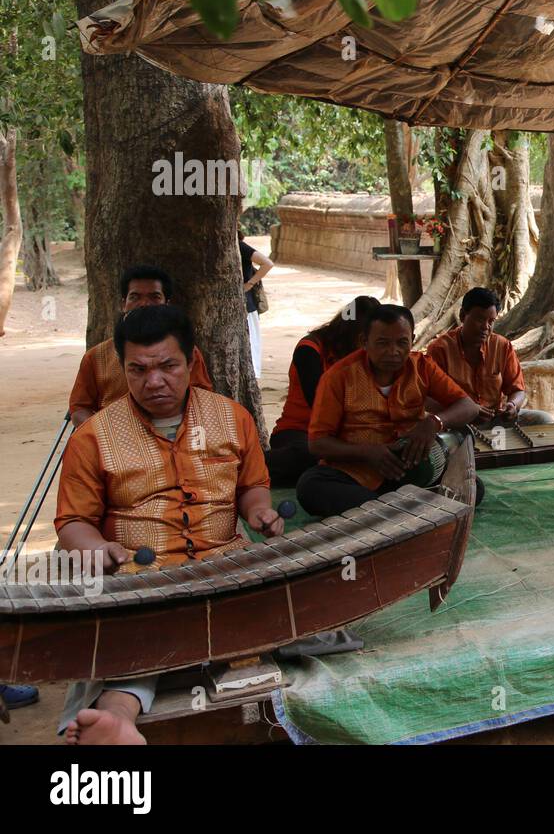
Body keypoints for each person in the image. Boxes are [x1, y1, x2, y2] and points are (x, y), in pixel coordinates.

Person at [55, 304, 282, 745]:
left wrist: (258, 510)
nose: (154, 381)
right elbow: (74, 521)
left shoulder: (233, 417)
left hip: (226, 565)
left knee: (297, 612)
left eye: (167, 366)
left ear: (191, 360)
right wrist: (96, 548)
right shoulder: (92, 437)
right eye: (138, 370)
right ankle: (117, 720)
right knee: (141, 629)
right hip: (142, 576)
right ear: (122, 368)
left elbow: (252, 486)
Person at [296, 304, 481, 520]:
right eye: (383, 343)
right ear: (364, 341)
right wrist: (367, 453)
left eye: (402, 343)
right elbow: (317, 444)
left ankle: (383, 511)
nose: (393, 351)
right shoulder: (338, 377)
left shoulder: (422, 367)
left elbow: (469, 406)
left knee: (473, 487)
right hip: (356, 472)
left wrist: (433, 422)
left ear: (412, 339)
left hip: (412, 469)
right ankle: (409, 509)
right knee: (310, 486)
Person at [68, 265, 213, 428]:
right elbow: (79, 408)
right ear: (123, 304)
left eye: (154, 297)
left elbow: (202, 398)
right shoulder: (95, 357)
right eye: (135, 297)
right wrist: (106, 435)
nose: (144, 304)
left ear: (167, 303)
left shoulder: (186, 353)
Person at [266, 295, 381, 487]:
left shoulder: (369, 355)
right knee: (312, 455)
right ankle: (249, 467)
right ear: (353, 332)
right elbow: (319, 404)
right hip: (298, 431)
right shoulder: (310, 349)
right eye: (365, 339)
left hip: (342, 434)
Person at [426, 287, 554, 428]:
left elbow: (518, 390)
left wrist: (512, 405)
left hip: (495, 419)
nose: (486, 327)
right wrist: (466, 411)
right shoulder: (439, 349)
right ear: (462, 316)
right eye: (480, 319)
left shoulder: (502, 346)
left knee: (544, 420)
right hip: (457, 422)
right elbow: (428, 399)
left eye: (491, 321)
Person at [238, 231, 274, 380]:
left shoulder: (240, 246)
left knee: (251, 344)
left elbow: (267, 263)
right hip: (242, 306)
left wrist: (250, 283)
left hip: (247, 307)